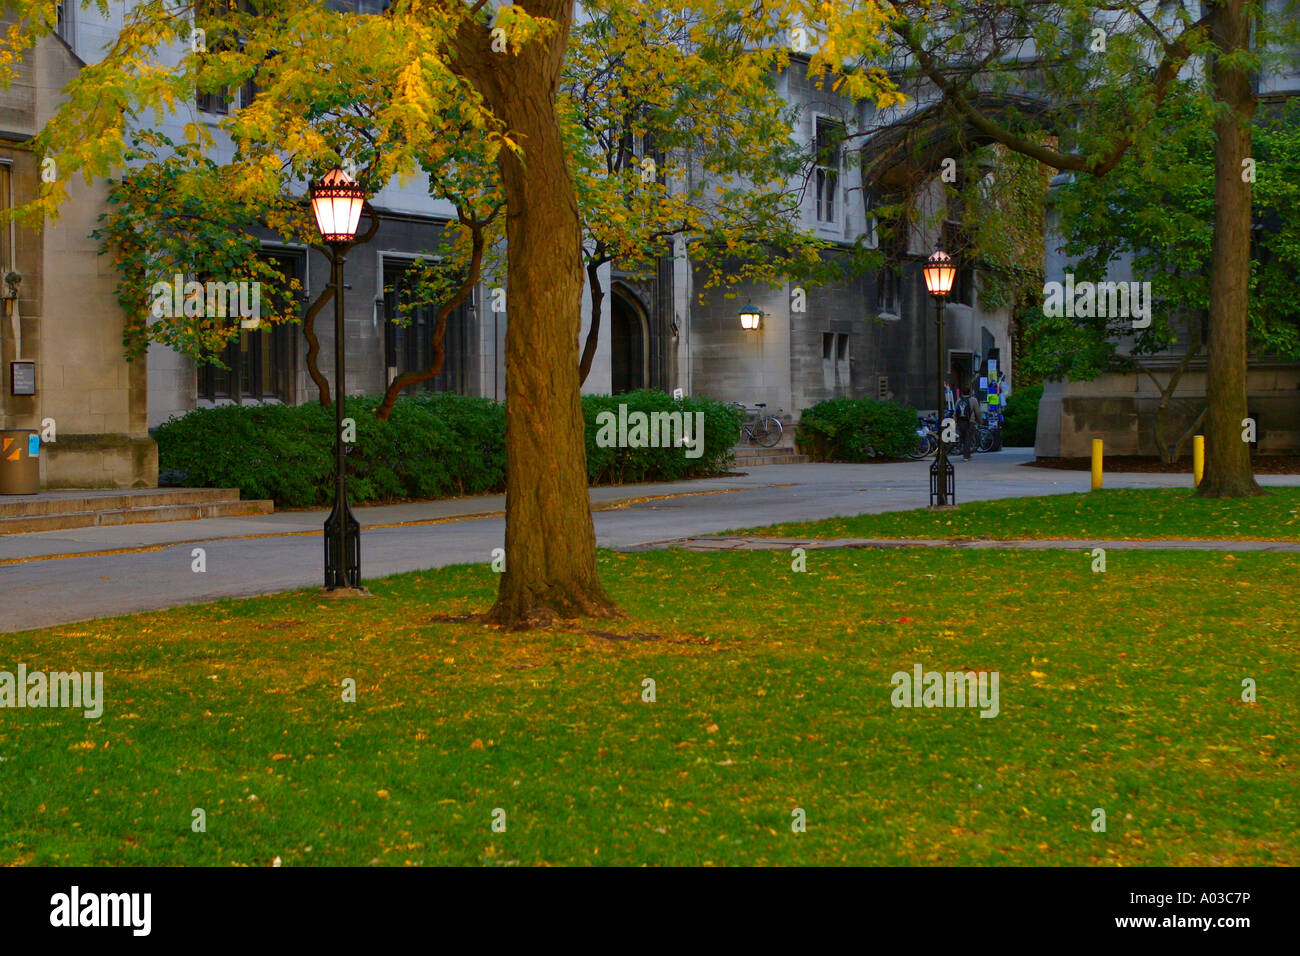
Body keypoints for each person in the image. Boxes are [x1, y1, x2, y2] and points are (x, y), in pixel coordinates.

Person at [956, 381, 982, 460]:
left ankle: (965, 453)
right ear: (969, 392)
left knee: (963, 438)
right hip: (970, 421)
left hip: (960, 422)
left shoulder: (958, 400)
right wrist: (980, 420)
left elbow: (955, 412)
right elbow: (977, 411)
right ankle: (966, 456)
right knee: (968, 438)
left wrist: (955, 422)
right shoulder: (973, 400)